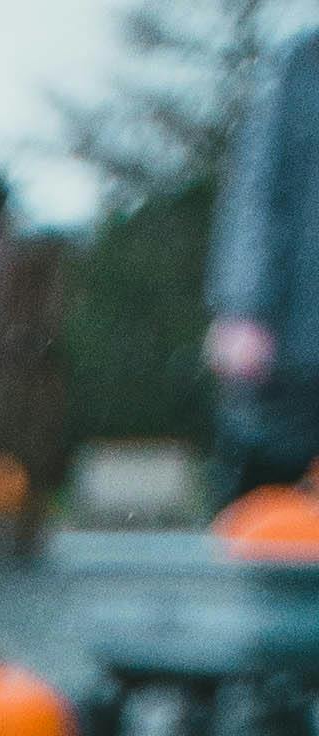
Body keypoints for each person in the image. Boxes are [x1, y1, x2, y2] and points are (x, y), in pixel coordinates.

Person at [210, 25, 319, 492]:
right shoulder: (303, 64)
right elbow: (260, 190)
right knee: (265, 510)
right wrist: (244, 310)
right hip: (298, 348)